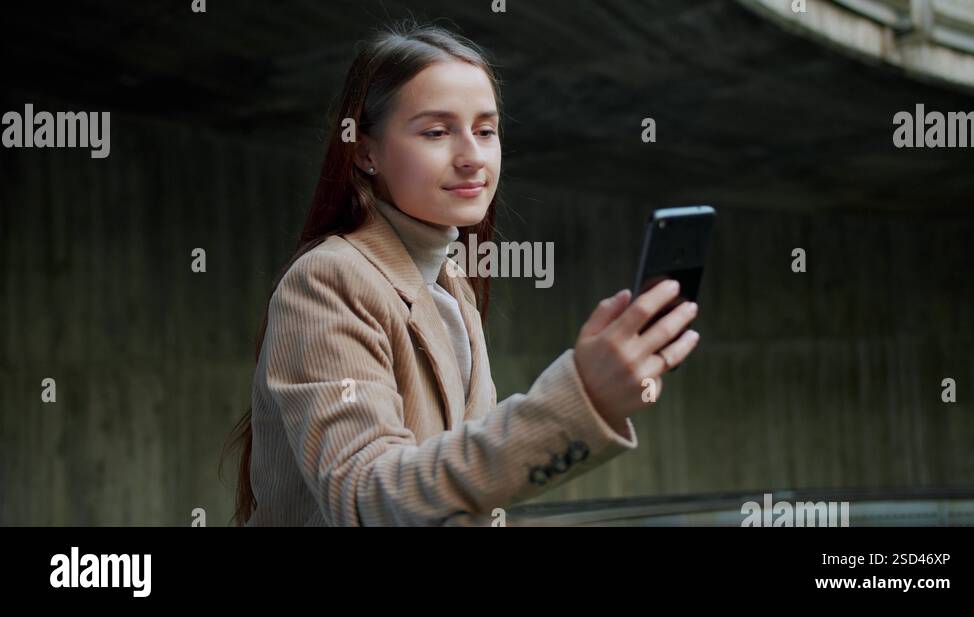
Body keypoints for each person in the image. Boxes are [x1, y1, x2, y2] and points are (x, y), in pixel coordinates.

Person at [222, 21, 700, 526]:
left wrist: (589, 398)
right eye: (436, 131)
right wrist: (581, 397)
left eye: (486, 130)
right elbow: (365, 499)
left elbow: (460, 489)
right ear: (365, 151)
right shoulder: (328, 279)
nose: (472, 157)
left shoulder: (453, 286)